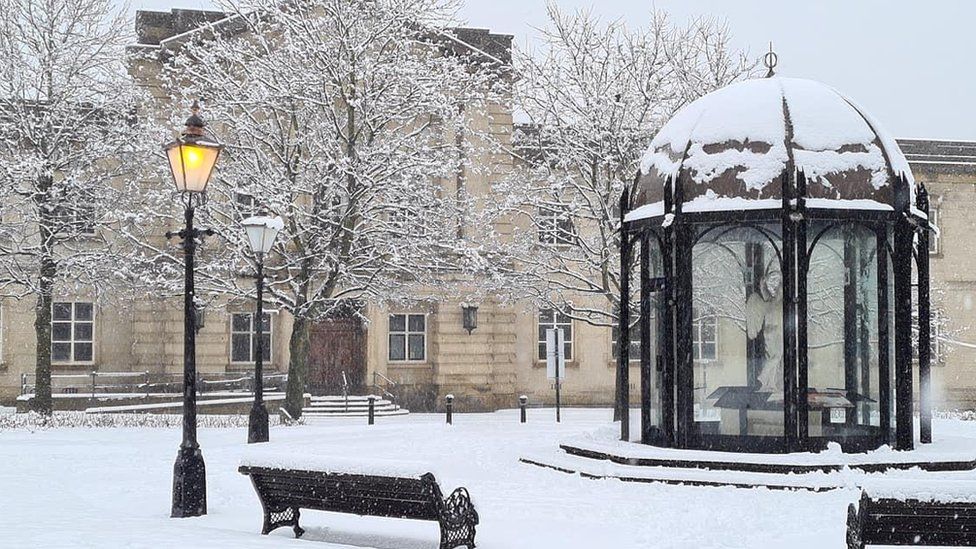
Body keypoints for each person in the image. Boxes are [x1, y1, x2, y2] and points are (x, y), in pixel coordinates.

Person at [745, 266, 783, 399]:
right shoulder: (775, 303)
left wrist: (763, 285)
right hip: (775, 332)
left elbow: (765, 293)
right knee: (776, 357)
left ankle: (770, 383)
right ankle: (763, 377)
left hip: (772, 332)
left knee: (773, 357)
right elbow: (767, 293)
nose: (777, 290)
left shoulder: (771, 302)